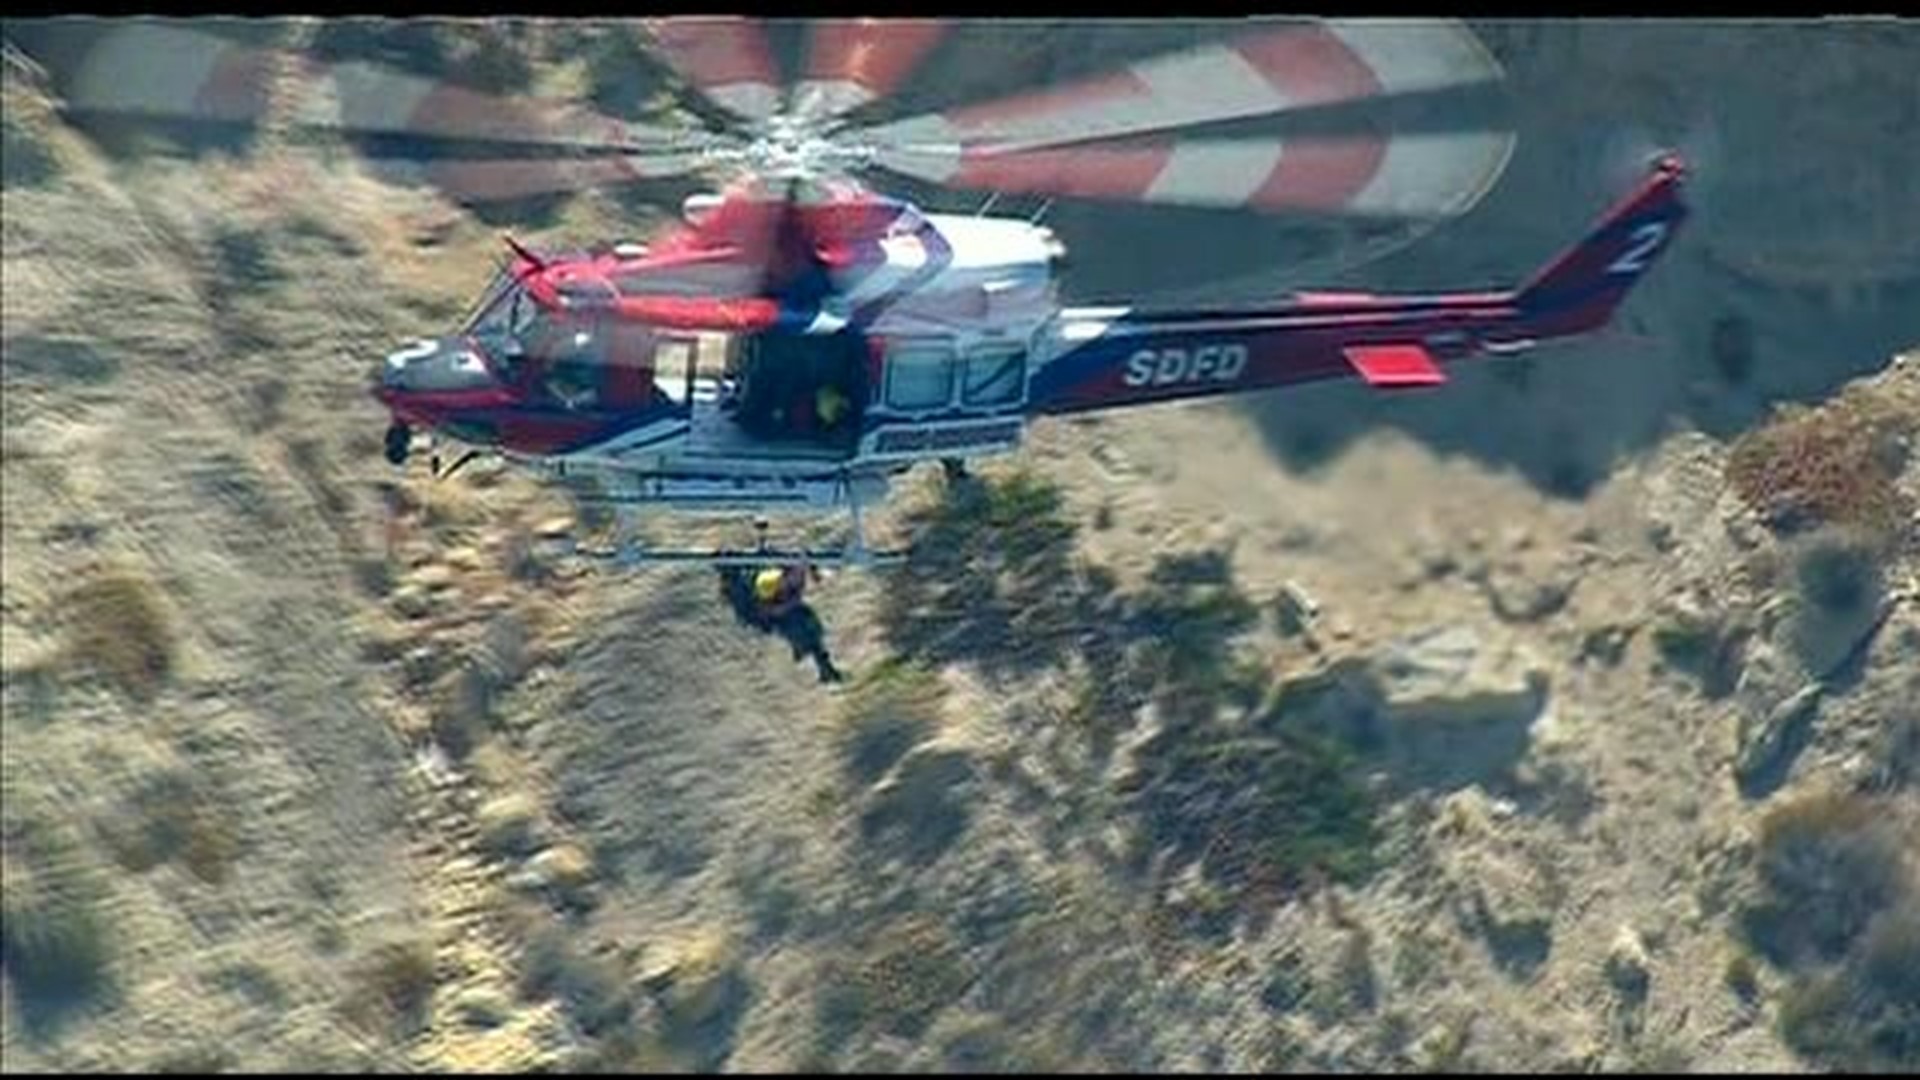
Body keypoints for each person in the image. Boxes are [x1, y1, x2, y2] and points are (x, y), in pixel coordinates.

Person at [720, 560, 844, 684]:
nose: (796, 579)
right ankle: (815, 660)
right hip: (761, 612)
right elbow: (768, 610)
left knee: (810, 628)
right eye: (792, 578)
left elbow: (801, 572)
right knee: (799, 627)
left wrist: (813, 572)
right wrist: (792, 602)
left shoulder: (796, 579)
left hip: (780, 607)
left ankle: (824, 668)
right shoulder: (767, 582)